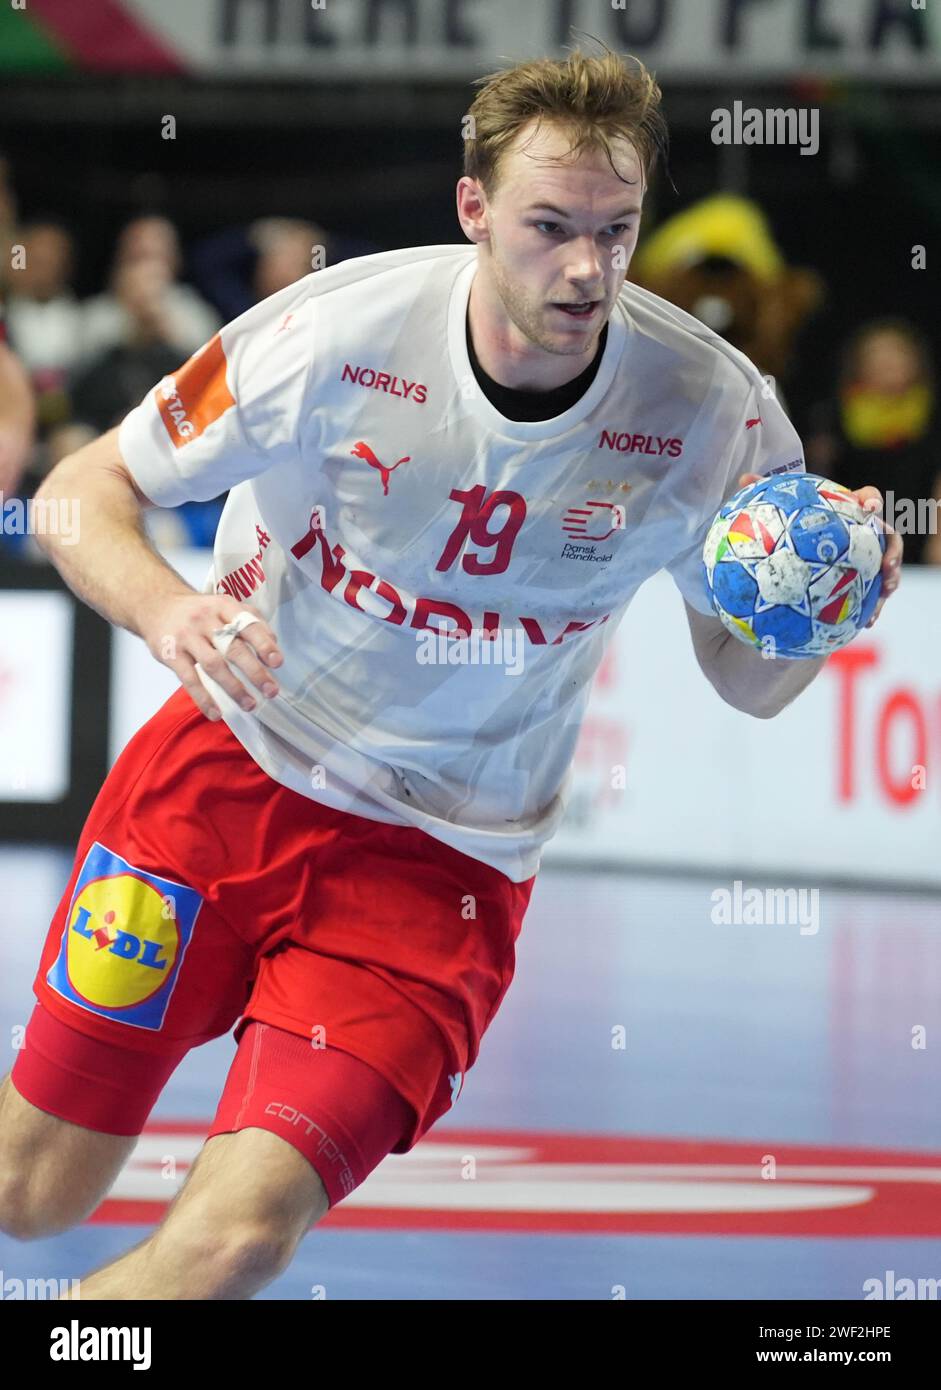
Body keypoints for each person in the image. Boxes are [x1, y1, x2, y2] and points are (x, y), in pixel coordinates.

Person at [0, 46, 902, 1300]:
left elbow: (745, 685)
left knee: (238, 1237)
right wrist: (168, 611)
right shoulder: (336, 332)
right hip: (221, 784)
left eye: (615, 229)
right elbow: (77, 490)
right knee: (30, 1190)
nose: (586, 268)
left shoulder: (711, 409)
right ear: (473, 208)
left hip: (440, 870)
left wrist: (821, 615)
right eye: (549, 226)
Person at [806, 319, 941, 565]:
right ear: (858, 364)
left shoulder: (932, 414)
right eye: (876, 354)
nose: (887, 361)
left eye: (896, 352)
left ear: (915, 361)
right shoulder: (835, 417)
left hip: (921, 539)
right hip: (854, 545)